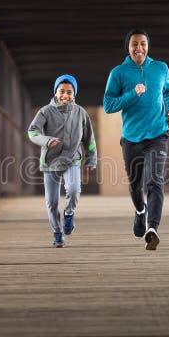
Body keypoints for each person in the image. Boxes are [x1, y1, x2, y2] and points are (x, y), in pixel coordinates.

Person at [103, 29, 169, 251]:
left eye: (143, 44)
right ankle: (140, 211)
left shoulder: (160, 68)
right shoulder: (118, 73)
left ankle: (152, 229)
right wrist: (131, 95)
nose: (139, 48)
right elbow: (108, 105)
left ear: (148, 46)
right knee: (136, 186)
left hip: (158, 133)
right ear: (128, 47)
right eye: (135, 44)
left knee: (155, 181)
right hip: (131, 137)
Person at [28, 74, 97, 247]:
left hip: (72, 158)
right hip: (50, 161)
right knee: (51, 202)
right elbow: (32, 132)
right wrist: (47, 140)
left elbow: (89, 139)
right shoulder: (45, 111)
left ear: (74, 94)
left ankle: (69, 213)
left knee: (73, 190)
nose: (65, 95)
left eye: (69, 92)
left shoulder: (80, 112)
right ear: (55, 92)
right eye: (61, 91)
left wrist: (91, 159)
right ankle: (58, 233)